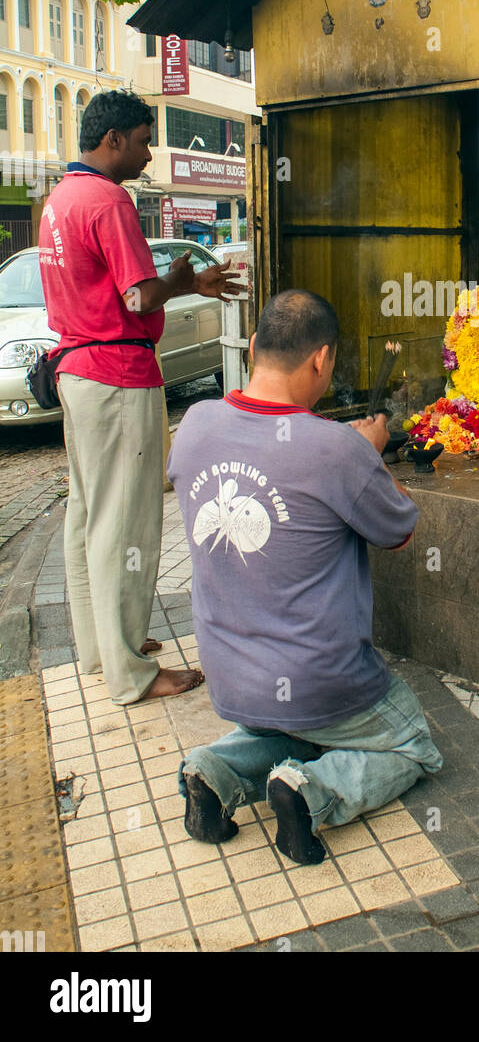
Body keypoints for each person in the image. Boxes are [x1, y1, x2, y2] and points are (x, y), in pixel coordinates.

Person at [167, 289, 442, 864]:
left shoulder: (195, 424)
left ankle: (215, 771)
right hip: (322, 682)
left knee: (295, 732)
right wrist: (367, 455)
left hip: (231, 677)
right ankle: (311, 792)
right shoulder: (335, 448)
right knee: (415, 744)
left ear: (251, 347)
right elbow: (401, 531)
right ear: (322, 360)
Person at [38, 90, 243, 705]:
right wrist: (180, 278)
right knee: (125, 520)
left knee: (89, 514)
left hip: (77, 372)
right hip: (115, 374)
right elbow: (139, 300)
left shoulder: (59, 199)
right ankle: (130, 672)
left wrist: (185, 282)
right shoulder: (108, 200)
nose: (149, 152)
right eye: (144, 138)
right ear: (114, 141)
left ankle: (104, 647)